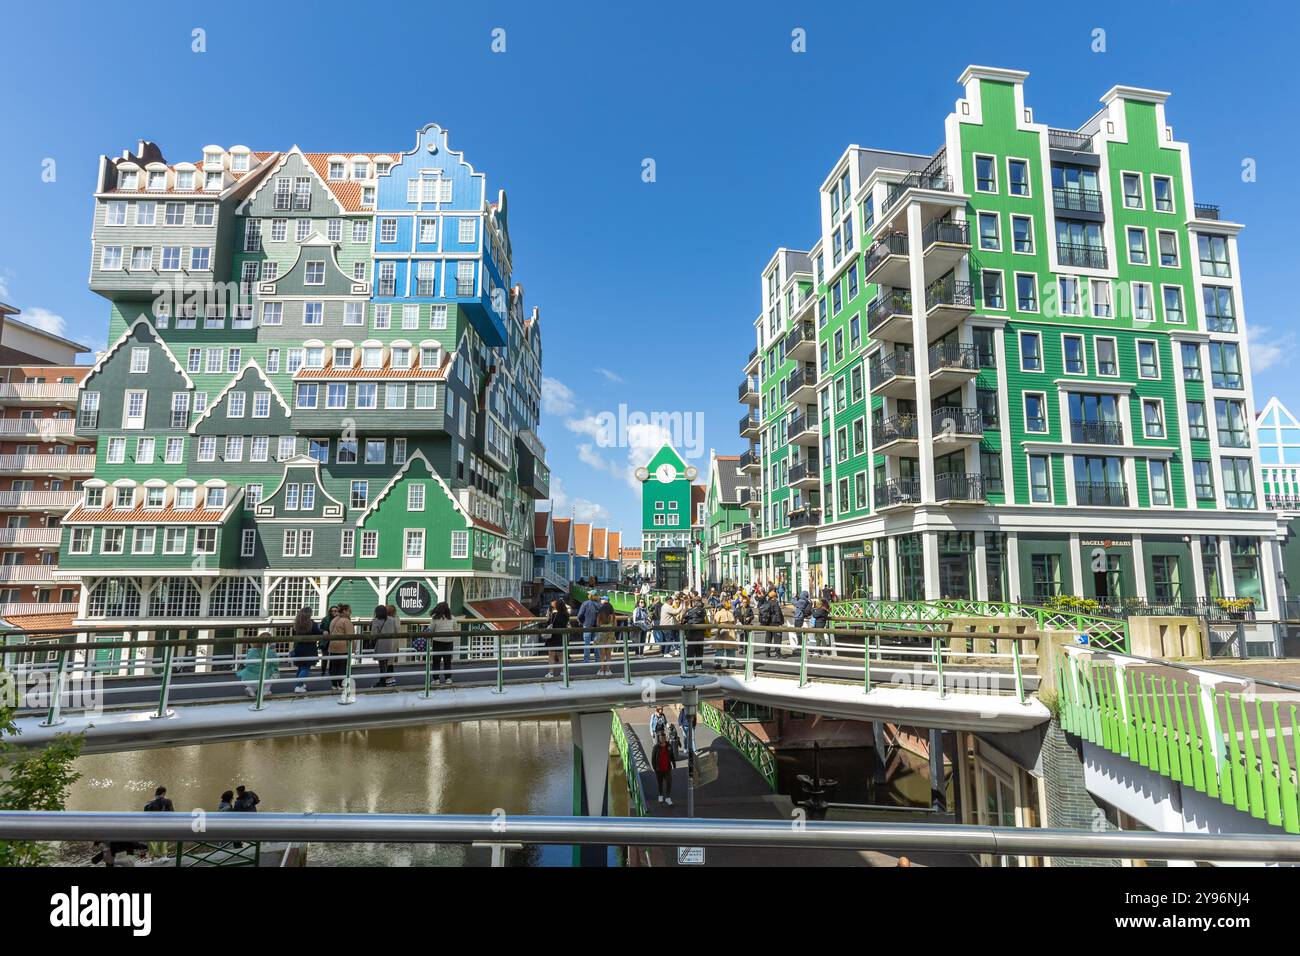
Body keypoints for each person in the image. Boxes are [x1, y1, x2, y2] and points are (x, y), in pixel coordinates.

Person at [237, 633, 279, 698]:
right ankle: (265, 691)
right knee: (273, 675)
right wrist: (274, 669)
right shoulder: (269, 652)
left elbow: (247, 662)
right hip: (264, 672)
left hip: (250, 674)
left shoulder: (252, 651)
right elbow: (275, 662)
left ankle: (251, 689)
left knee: (255, 683)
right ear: (270, 643)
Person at [290, 606, 321, 693]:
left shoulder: (296, 624)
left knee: (300, 668)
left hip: (298, 648)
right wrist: (323, 631)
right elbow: (317, 632)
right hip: (309, 648)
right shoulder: (312, 624)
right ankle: (298, 686)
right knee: (305, 668)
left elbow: (294, 635)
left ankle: (299, 684)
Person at [369, 604, 399, 688]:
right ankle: (388, 681)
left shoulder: (376, 621)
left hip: (381, 644)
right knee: (389, 664)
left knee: (382, 664)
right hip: (390, 644)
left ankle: (383, 682)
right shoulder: (392, 620)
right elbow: (396, 631)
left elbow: (374, 634)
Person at [427, 601, 457, 685]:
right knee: (447, 661)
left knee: (436, 661)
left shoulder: (435, 618)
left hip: (437, 641)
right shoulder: (452, 617)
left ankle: (436, 679)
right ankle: (448, 678)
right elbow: (455, 628)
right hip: (449, 641)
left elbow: (431, 629)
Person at [327, 605, 355, 689]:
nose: (350, 613)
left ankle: (334, 684)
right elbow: (350, 635)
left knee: (334, 666)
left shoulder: (334, 620)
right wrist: (352, 648)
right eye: (349, 611)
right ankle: (341, 684)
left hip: (333, 646)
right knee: (342, 667)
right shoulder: (346, 621)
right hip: (343, 647)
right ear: (344, 611)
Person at [543, 598, 569, 679]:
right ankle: (563, 672)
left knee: (551, 655)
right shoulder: (566, 615)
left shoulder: (554, 615)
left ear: (557, 607)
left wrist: (548, 615)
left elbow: (548, 623)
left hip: (553, 636)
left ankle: (551, 673)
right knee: (561, 655)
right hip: (561, 636)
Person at [650, 731, 676, 806]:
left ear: (665, 738)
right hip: (659, 769)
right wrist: (654, 768)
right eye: (661, 738)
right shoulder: (656, 747)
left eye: (664, 738)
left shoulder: (669, 746)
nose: (663, 739)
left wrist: (674, 764)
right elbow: (653, 758)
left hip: (667, 768)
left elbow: (672, 755)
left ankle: (668, 797)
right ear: (659, 739)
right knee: (660, 782)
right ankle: (660, 795)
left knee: (669, 783)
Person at [576, 591, 601, 667]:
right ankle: (598, 660)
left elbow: (580, 615)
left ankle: (586, 660)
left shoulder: (585, 603)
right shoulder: (600, 605)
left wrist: (582, 622)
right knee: (596, 644)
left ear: (590, 595)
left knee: (587, 644)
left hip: (587, 625)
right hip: (597, 626)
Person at [682, 597, 708, 668]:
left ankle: (690, 665)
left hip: (691, 632)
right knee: (699, 649)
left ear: (694, 602)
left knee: (690, 649)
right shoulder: (703, 610)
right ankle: (698, 664)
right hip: (700, 632)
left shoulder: (690, 611)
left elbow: (684, 619)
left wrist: (686, 610)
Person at [593, 600, 616, 676]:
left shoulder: (600, 615)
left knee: (602, 654)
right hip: (610, 635)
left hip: (601, 635)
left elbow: (597, 625)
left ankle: (602, 670)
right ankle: (608, 670)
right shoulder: (612, 616)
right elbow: (615, 625)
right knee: (608, 654)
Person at [760, 590, 785, 658]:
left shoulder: (766, 603)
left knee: (768, 638)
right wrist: (780, 623)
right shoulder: (775, 604)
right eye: (776, 597)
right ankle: (777, 653)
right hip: (775, 623)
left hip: (768, 623)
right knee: (777, 639)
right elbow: (778, 613)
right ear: (774, 597)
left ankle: (767, 653)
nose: (776, 598)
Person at [712, 599, 736, 666]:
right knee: (730, 648)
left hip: (721, 630)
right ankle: (731, 663)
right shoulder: (730, 613)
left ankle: (718, 663)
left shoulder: (718, 613)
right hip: (730, 631)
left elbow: (715, 622)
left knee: (720, 648)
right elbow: (733, 622)